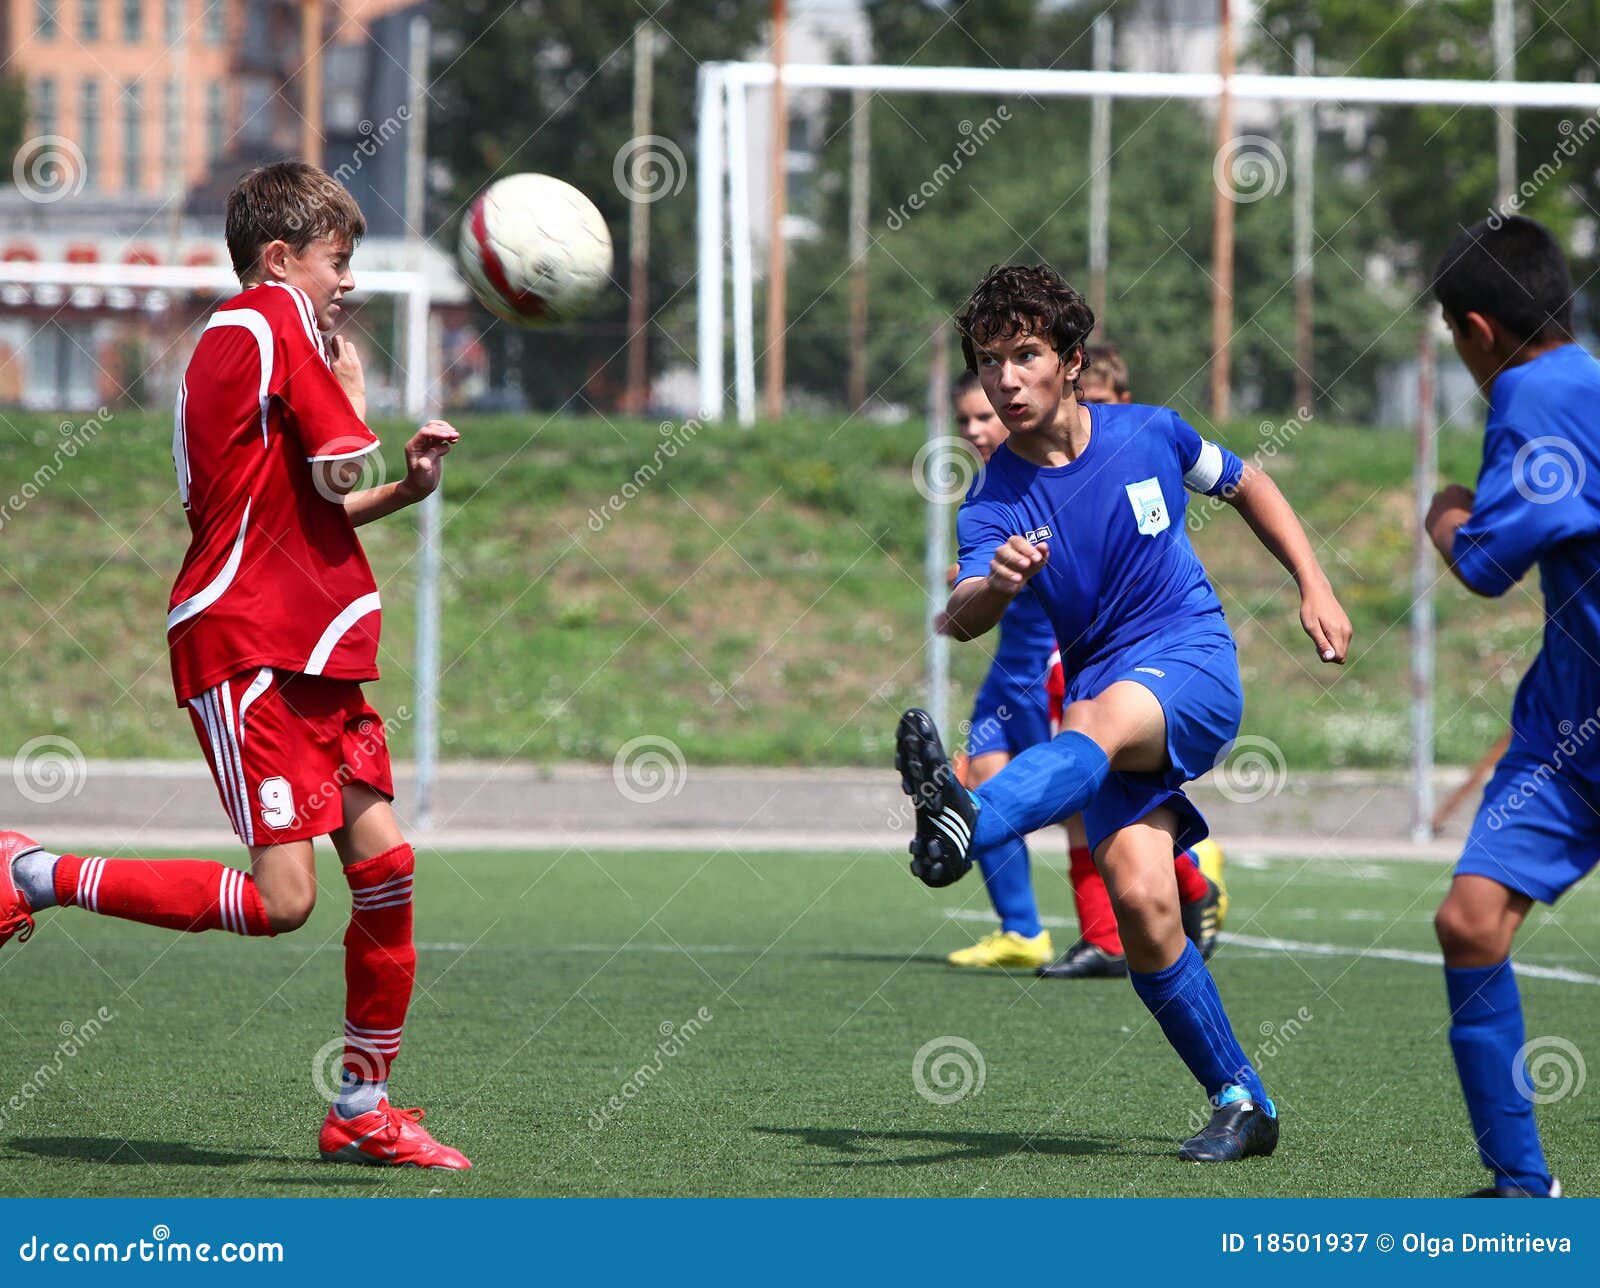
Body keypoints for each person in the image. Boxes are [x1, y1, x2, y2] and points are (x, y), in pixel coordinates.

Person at [0, 161, 471, 1169]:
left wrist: (406, 491)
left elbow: (313, 507)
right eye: (337, 260)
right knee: (283, 902)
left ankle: (363, 1104)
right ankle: (32, 873)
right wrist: (354, 397)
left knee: (386, 871)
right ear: (280, 258)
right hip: (250, 642)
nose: (348, 280)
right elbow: (337, 464)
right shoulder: (267, 319)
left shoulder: (249, 336)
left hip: (308, 648)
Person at [895, 263, 1350, 1161]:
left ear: (1071, 361)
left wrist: (1314, 581)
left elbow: (1247, 484)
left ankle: (971, 821)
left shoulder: (1151, 433)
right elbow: (965, 612)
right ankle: (1243, 1100)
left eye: (1026, 355)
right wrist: (999, 584)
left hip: (1190, 661)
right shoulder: (991, 499)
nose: (1006, 380)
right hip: (1105, 697)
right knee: (1141, 902)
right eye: (989, 362)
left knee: (1091, 726)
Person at [944, 367, 1225, 977]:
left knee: (1078, 794)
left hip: (1060, 665)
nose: (976, 429)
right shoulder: (991, 494)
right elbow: (969, 603)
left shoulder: (1110, 457)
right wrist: (977, 589)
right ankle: (1021, 929)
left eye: (983, 417)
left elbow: (1086, 571)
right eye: (965, 418)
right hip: (1008, 669)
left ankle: (1168, 891)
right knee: (982, 774)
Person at [1424, 213, 1595, 1198]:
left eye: (1454, 336)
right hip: (1566, 731)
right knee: (1471, 918)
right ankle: (1522, 1191)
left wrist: (1445, 511)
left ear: (1478, 330)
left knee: (1471, 922)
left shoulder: (1536, 393)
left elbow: (1487, 564)